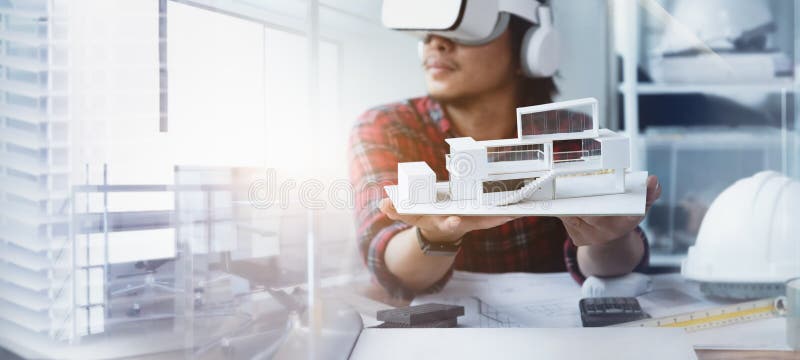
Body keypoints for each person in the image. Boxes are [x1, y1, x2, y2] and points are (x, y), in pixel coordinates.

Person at [348, 15, 661, 299]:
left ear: (531, 47)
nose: (436, 41)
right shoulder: (385, 127)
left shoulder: (572, 133)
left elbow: (612, 266)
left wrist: (607, 237)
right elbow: (390, 262)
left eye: (470, 24)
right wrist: (435, 234)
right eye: (431, 26)